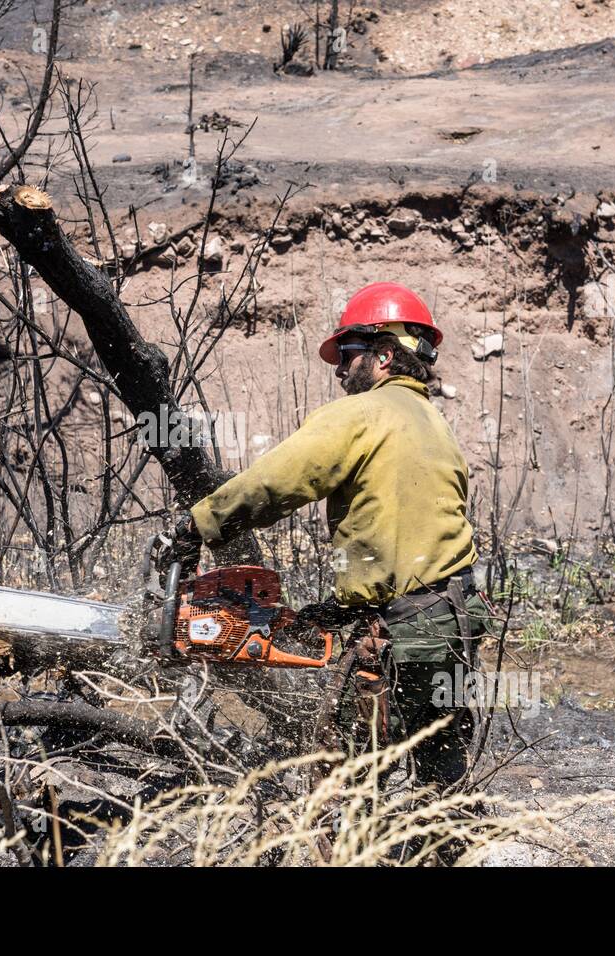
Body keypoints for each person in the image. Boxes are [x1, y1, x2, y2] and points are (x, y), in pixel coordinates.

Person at [172, 282, 491, 788]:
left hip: (404, 636)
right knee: (439, 764)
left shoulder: (362, 414)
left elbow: (277, 481)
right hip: (452, 619)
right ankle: (444, 848)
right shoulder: (433, 422)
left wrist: (199, 524)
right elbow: (408, 539)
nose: (340, 370)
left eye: (347, 353)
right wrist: (342, 609)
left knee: (348, 771)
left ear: (384, 356)